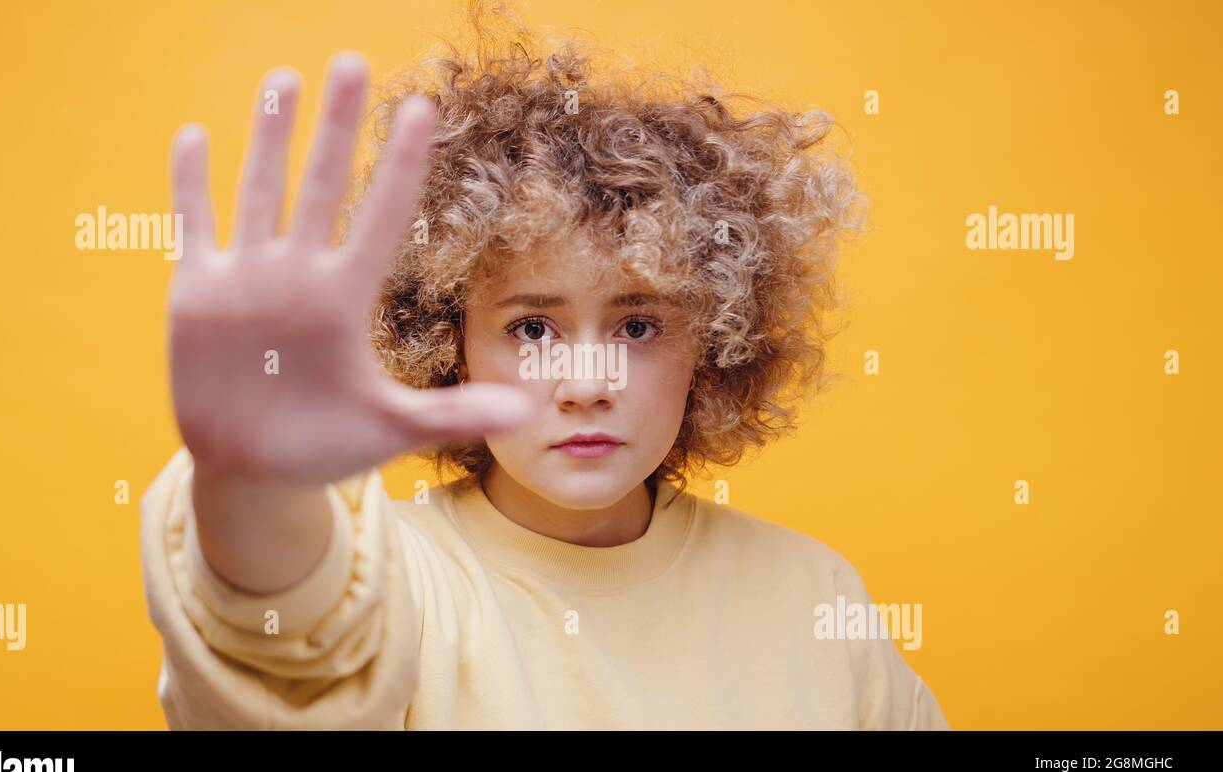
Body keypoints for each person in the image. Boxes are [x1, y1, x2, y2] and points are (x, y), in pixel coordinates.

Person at [140, 6, 950, 730]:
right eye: (532, 327)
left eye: (637, 324)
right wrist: (250, 486)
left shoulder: (814, 594)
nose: (587, 381)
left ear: (715, 337)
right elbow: (283, 661)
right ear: (450, 342)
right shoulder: (395, 583)